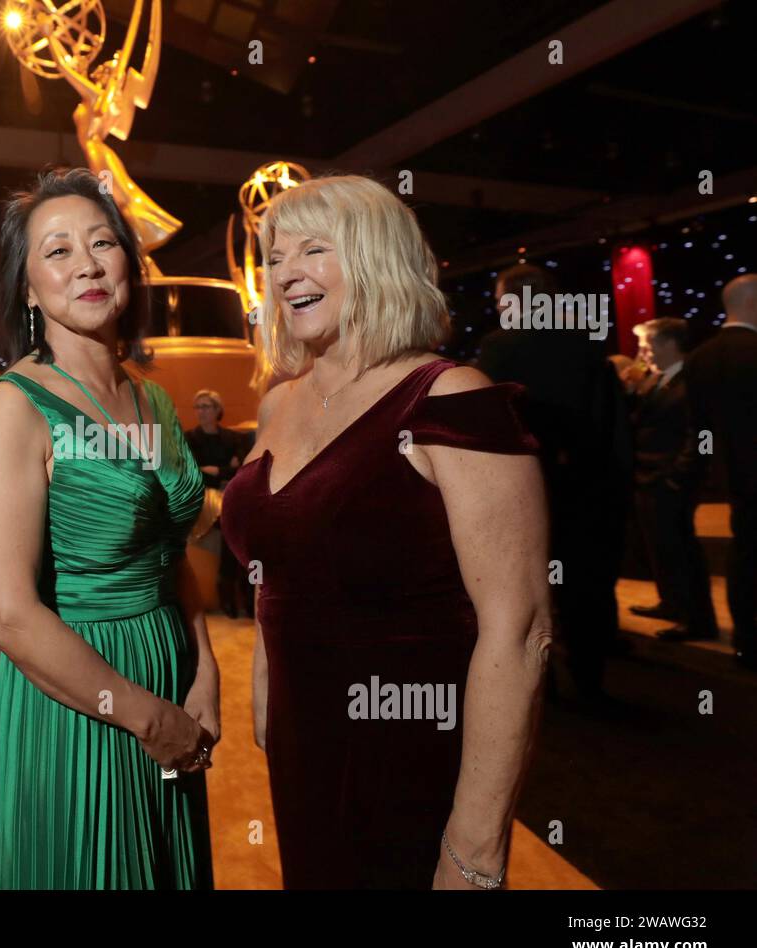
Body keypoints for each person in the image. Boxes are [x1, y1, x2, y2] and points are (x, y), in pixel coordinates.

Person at [220, 174, 551, 889]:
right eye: (275, 257)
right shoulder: (279, 401)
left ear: (377, 259)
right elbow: (276, 561)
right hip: (303, 744)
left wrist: (476, 846)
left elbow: (520, 630)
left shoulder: (447, 396)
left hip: (411, 746)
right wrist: (266, 679)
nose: (284, 274)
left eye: (313, 250)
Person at [0, 167, 217, 889]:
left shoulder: (155, 401)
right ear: (25, 285)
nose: (86, 264)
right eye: (58, 250)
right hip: (76, 694)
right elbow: (7, 616)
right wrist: (144, 716)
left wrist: (205, 668)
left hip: (167, 676)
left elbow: (173, 551)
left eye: (102, 243)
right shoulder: (14, 407)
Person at [478, 263, 632, 701]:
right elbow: (610, 427)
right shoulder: (588, 347)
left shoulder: (498, 347)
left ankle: (539, 687)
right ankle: (590, 681)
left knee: (526, 590)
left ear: (510, 300)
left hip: (522, 493)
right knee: (586, 589)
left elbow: (489, 424)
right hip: (586, 491)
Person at [626, 318, 716, 641]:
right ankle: (671, 603)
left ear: (667, 344)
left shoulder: (692, 381)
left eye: (647, 345)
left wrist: (680, 475)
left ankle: (698, 620)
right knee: (660, 548)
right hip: (647, 477)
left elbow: (701, 434)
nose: (642, 353)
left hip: (672, 480)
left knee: (681, 550)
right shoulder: (652, 381)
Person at [683, 274, 757, 669]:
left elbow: (700, 429)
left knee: (744, 557)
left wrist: (710, 468)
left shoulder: (700, 357)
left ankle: (746, 640)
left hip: (732, 477)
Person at [185, 389, 253, 618]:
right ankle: (231, 588)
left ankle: (239, 589)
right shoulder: (188, 438)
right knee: (229, 519)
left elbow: (242, 469)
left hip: (229, 493)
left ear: (217, 410)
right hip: (203, 496)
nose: (201, 411)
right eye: (198, 407)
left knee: (241, 520)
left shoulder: (234, 438)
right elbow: (191, 472)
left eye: (206, 406)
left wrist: (217, 470)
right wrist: (225, 471)